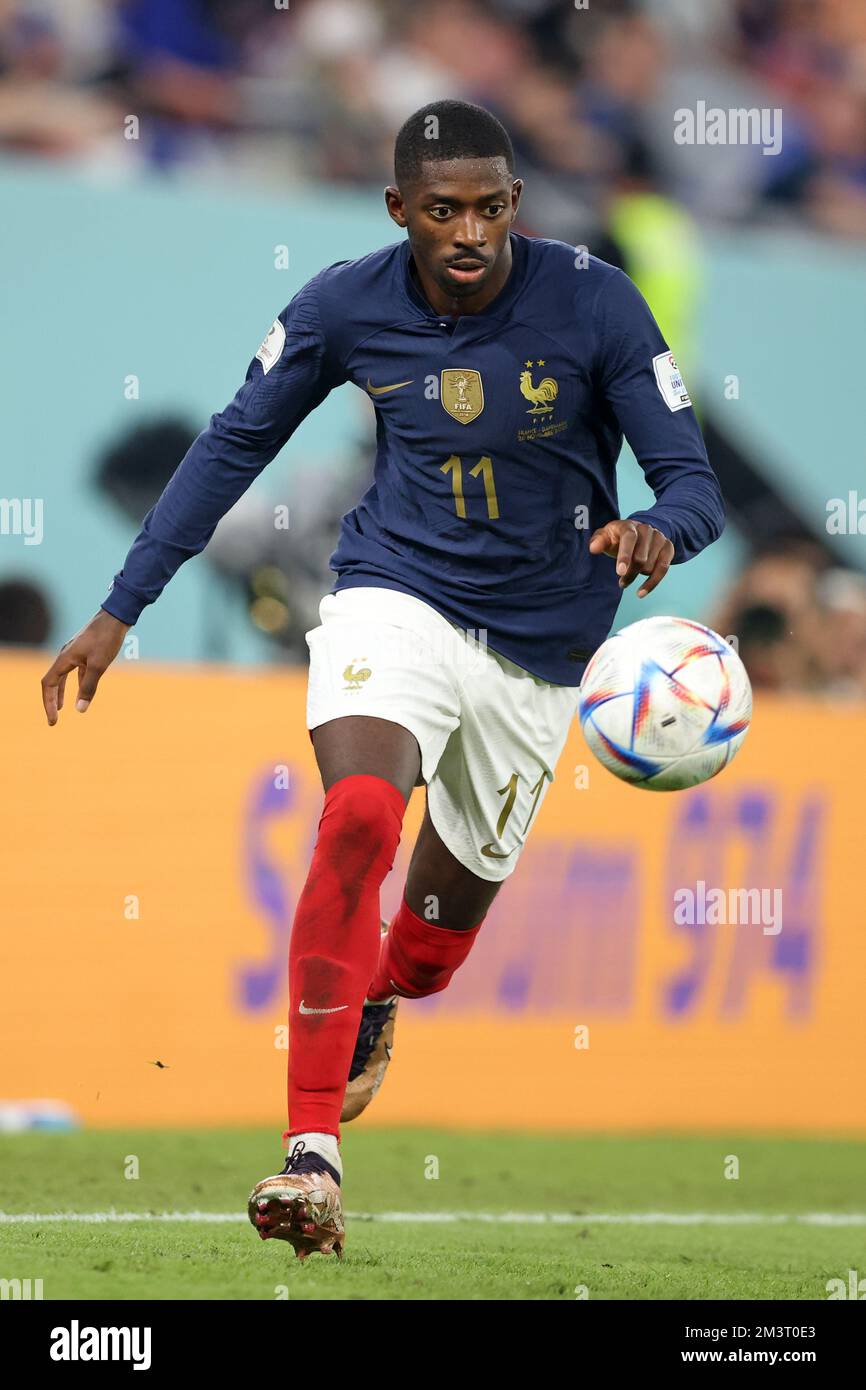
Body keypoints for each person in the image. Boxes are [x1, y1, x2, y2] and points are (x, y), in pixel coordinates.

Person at [40, 99, 725, 1260]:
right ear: (399, 210)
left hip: (542, 651)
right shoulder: (343, 304)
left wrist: (657, 526)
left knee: (424, 954)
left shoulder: (593, 300)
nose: (469, 231)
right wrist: (120, 606)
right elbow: (230, 445)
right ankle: (310, 1152)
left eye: (491, 206)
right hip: (393, 593)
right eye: (442, 209)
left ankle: (379, 995)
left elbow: (691, 483)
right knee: (357, 811)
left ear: (517, 203)